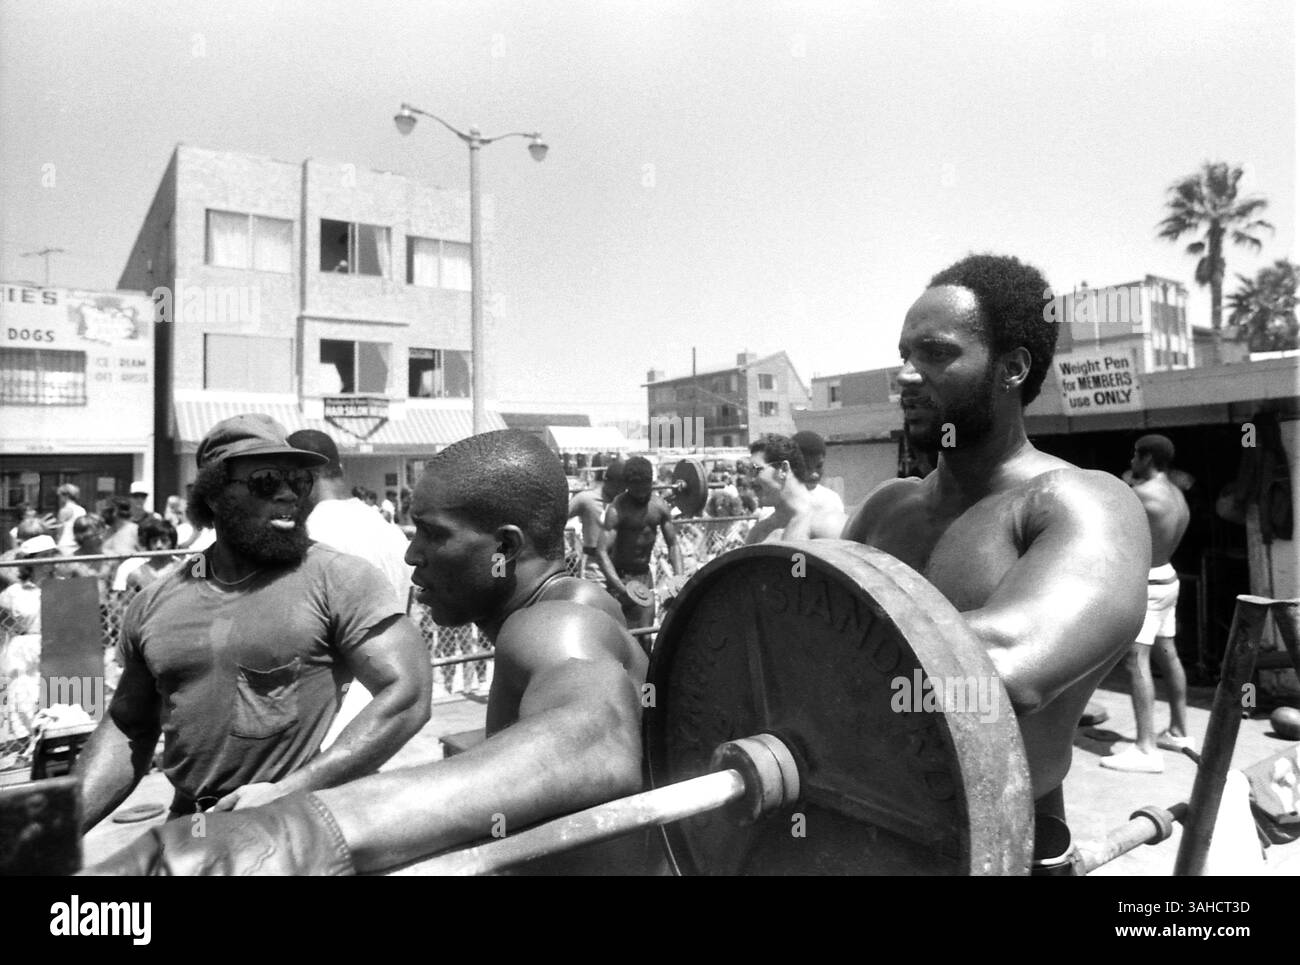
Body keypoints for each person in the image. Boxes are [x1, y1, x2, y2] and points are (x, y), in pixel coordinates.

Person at [85, 430, 648, 876]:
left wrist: (282, 832)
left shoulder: (555, 624)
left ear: (504, 547)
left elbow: (593, 739)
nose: (409, 556)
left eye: (431, 534)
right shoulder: (546, 614)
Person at [784, 253, 1149, 871]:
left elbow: (1005, 671)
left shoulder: (1082, 503)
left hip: (1000, 847)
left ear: (1011, 368)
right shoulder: (886, 508)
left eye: (935, 353)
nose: (905, 374)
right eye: (904, 352)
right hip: (856, 831)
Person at [74, 413, 431, 832]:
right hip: (191, 828)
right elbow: (128, 726)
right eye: (266, 482)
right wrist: (51, 833)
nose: (288, 496)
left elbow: (408, 691)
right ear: (213, 495)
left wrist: (292, 789)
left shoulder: (338, 578)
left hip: (298, 825)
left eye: (298, 481)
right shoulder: (155, 601)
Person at [285, 429, 416, 748]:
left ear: (303, 475)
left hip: (324, 719)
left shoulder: (310, 536)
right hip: (383, 709)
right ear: (339, 469)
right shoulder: (390, 531)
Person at [1101, 434, 1193, 773]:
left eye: (1135, 456)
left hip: (1150, 584)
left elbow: (1107, 517)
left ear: (1148, 458)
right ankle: (1180, 732)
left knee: (1134, 660)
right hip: (1169, 576)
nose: (1131, 461)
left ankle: (1145, 749)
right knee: (1168, 654)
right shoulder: (1177, 495)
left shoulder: (1141, 495)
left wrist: (1126, 482)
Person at [595, 455, 683, 631]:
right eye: (637, 488)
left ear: (651, 481)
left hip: (645, 577)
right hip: (620, 578)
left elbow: (673, 544)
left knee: (645, 635)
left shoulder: (659, 506)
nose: (642, 492)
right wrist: (621, 589)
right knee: (624, 636)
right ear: (628, 485)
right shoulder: (617, 509)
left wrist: (679, 579)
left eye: (646, 486)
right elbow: (601, 552)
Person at [0, 535, 63, 742]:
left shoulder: (64, 586)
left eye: (51, 555)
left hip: (55, 643)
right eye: (44, 556)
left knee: (55, 696)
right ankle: (26, 744)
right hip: (24, 647)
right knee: (23, 695)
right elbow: (6, 623)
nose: (49, 560)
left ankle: (53, 741)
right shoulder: (14, 592)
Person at [744, 433, 845, 544]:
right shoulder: (759, 533)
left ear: (783, 469)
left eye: (755, 470)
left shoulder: (828, 524)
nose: (750, 480)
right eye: (748, 472)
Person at [567, 458, 627, 581]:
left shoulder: (626, 502)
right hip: (595, 568)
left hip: (621, 566)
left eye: (623, 486)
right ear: (607, 481)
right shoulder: (586, 499)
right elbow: (560, 517)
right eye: (617, 485)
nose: (619, 490)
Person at [792, 430, 847, 518]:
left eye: (819, 466)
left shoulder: (831, 499)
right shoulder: (775, 502)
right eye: (807, 467)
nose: (814, 475)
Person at [55, 484, 87, 552]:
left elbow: (60, 530)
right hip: (77, 544)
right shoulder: (82, 510)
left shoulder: (64, 510)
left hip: (64, 544)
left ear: (66, 496)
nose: (60, 498)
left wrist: (56, 543)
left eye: (60, 496)